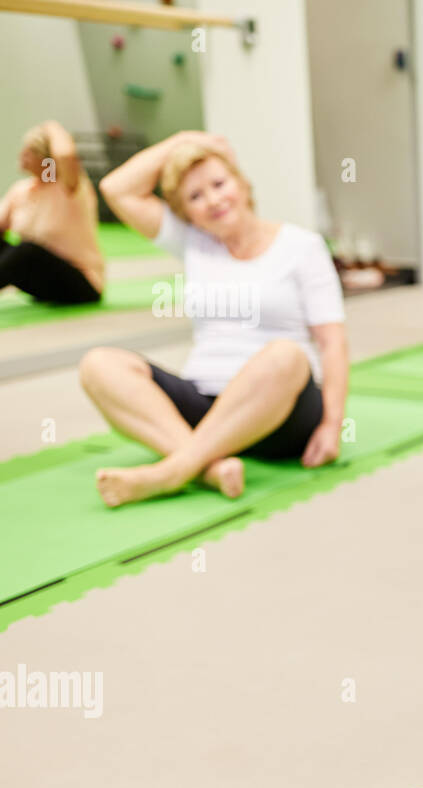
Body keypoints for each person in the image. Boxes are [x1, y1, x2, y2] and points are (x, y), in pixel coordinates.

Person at [80, 131, 348, 508]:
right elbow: (116, 188)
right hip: (206, 404)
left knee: (286, 355)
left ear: (241, 182)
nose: (213, 200)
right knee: (99, 365)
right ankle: (208, 468)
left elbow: (332, 342)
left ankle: (171, 472)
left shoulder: (302, 247)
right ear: (185, 211)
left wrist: (332, 425)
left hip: (282, 415)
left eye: (219, 183)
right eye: (195, 196)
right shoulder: (193, 242)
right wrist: (186, 139)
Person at [0, 121, 104, 305]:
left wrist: (51, 126)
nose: (22, 154)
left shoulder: (69, 188)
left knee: (27, 250)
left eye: (30, 150)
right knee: (22, 250)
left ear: (46, 159)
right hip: (41, 284)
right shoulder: (21, 190)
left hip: (80, 285)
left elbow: (66, 155)